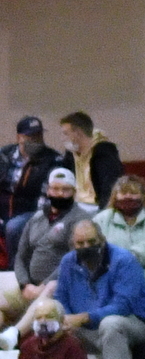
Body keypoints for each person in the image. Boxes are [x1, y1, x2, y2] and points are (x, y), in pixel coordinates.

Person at [55, 218, 145, 359]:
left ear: (102, 240)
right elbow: (60, 297)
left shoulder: (124, 260)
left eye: (91, 241)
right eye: (80, 243)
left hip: (135, 324)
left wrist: (85, 317)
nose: (86, 246)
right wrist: (65, 319)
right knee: (49, 321)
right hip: (87, 327)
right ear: (73, 244)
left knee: (110, 323)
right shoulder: (68, 261)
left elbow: (122, 306)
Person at [8, 169, 89, 321]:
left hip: (59, 286)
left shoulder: (81, 219)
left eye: (65, 190)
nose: (59, 194)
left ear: (74, 192)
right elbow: (21, 255)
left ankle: (15, 335)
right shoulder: (37, 216)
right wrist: (24, 284)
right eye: (55, 189)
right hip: (28, 286)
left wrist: (42, 286)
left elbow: (75, 258)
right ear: (48, 190)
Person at [0, 117, 63, 254]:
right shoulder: (4, 155)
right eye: (30, 136)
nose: (35, 140)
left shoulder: (53, 160)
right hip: (3, 211)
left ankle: (13, 271)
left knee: (13, 227)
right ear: (19, 137)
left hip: (31, 213)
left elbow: (46, 199)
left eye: (38, 135)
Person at [56, 112, 120, 212]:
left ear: (78, 133)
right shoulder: (71, 155)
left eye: (65, 134)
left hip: (95, 207)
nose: (62, 138)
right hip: (74, 206)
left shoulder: (103, 153)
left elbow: (110, 188)